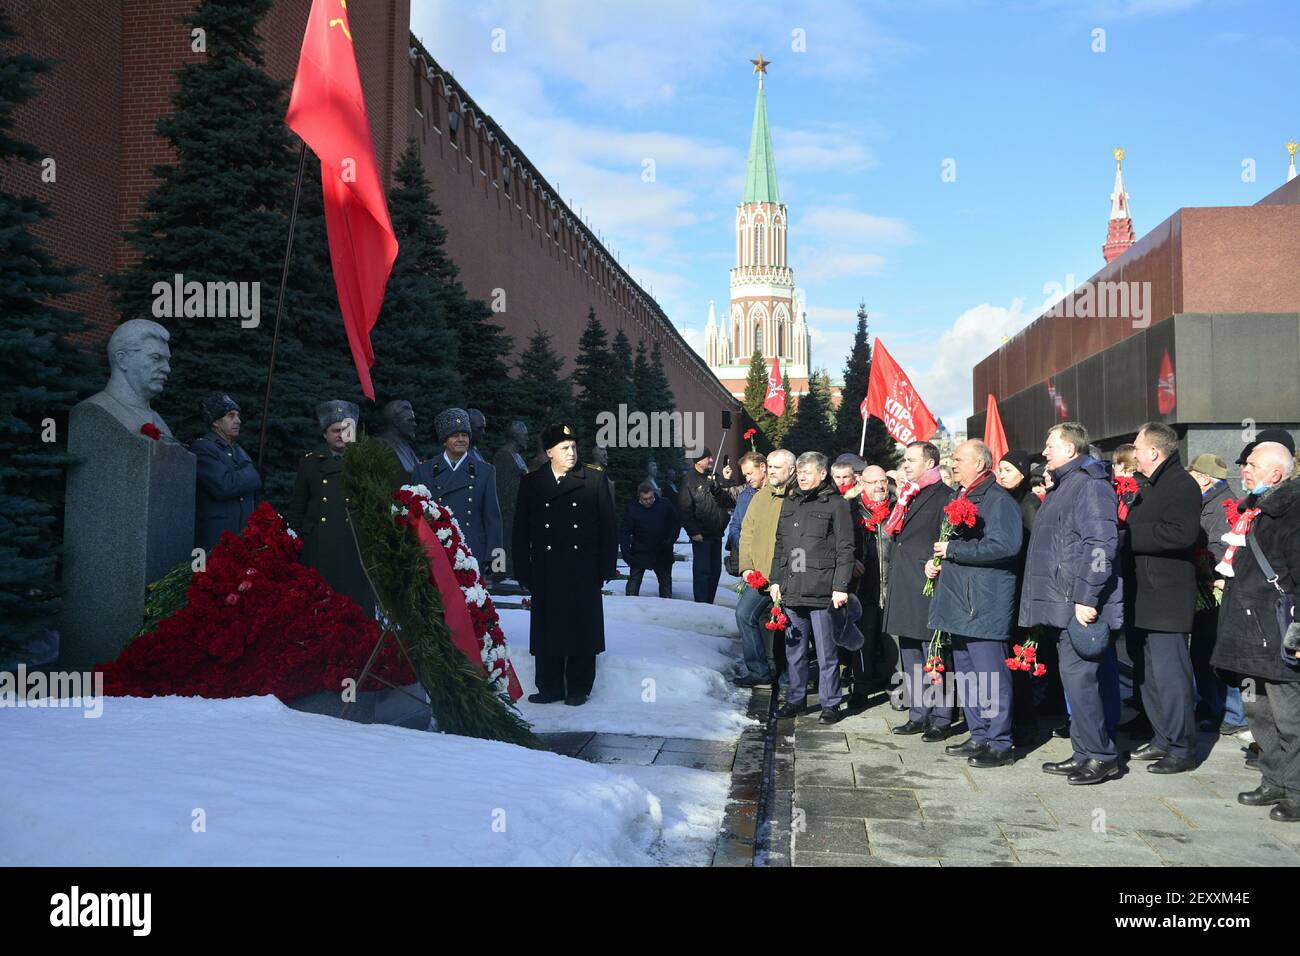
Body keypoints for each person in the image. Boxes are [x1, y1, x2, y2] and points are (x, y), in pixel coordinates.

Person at [1021, 422, 1124, 785]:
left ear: (1070, 449)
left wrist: (1087, 596)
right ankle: (1084, 752)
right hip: (1064, 603)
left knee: (1083, 683)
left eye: (1049, 446)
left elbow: (1100, 546)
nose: (1044, 452)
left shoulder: (1091, 485)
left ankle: (1101, 756)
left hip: (1078, 604)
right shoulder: (1069, 484)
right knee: (1075, 683)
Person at [1211, 441, 1300, 822]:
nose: (1243, 470)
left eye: (1252, 465)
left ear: (1276, 474)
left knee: (1290, 719)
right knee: (1258, 714)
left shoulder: (1292, 513)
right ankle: (1274, 780)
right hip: (1246, 634)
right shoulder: (1253, 510)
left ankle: (1296, 790)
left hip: (1277, 633)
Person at [927, 440, 1023, 766]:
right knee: (967, 673)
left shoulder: (998, 500)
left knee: (990, 674)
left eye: (959, 459)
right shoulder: (962, 496)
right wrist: (936, 563)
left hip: (984, 603)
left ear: (980, 464)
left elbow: (1006, 546)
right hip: (960, 601)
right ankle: (979, 733)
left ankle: (1000, 742)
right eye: (953, 459)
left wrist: (953, 552)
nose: (953, 464)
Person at [512, 423, 617, 706]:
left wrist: (606, 566)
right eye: (564, 448)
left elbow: (608, 527)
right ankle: (550, 686)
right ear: (549, 453)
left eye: (573, 447)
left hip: (583, 567)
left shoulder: (593, 479)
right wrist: (522, 568)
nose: (571, 453)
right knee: (548, 627)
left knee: (582, 627)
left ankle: (579, 687)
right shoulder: (532, 483)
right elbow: (521, 530)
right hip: (546, 568)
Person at [1122, 422, 1202, 774]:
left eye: (1138, 448)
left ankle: (1182, 747)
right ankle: (1162, 737)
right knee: (1148, 675)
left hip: (1167, 601)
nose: (1134, 453)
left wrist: (1126, 536)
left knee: (1171, 676)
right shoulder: (1150, 486)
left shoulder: (1181, 484)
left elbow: (1181, 534)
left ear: (1154, 451)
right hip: (1143, 598)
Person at [769, 452, 856, 724]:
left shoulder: (836, 504)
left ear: (822, 474)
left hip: (822, 589)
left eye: (808, 471)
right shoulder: (791, 501)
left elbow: (846, 547)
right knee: (794, 650)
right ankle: (795, 700)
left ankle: (830, 703)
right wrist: (776, 579)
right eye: (800, 471)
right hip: (793, 587)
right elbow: (781, 544)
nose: (803, 476)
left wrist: (841, 586)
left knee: (825, 651)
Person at [883, 440, 957, 740]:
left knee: (934, 653)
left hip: (927, 584)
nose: (906, 464)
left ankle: (941, 717)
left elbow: (946, 538)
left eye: (912, 459)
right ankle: (918, 712)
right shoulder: (909, 494)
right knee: (910, 653)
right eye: (905, 459)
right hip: (905, 584)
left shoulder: (944, 496)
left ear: (931, 463)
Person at [997, 449, 1063, 740]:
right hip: (1010, 587)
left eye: (1008, 470)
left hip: (1024, 588)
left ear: (1023, 474)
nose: (1001, 475)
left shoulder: (1028, 503)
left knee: (1021, 657)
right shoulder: (1005, 500)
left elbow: (1039, 551)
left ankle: (1025, 724)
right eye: (999, 469)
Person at [286, 400, 374, 615]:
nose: (340, 435)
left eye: (345, 430)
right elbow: (298, 507)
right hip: (318, 546)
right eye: (335, 430)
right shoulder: (310, 463)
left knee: (354, 605)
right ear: (325, 434)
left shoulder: (366, 462)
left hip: (354, 545)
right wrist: (293, 542)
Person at [1187, 453, 1246, 734]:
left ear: (1205, 478)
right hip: (1206, 586)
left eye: (1193, 475)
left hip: (1215, 588)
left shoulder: (1223, 505)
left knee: (1212, 653)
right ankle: (1210, 705)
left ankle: (1231, 714)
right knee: (1202, 651)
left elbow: (1223, 549)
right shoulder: (1207, 501)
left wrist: (1209, 572)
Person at [411, 408, 504, 581]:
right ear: (444, 441)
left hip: (472, 552)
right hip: (435, 551)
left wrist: (498, 561)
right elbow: (416, 517)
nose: (461, 439)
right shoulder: (424, 471)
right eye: (455, 435)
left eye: (465, 435)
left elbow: (493, 518)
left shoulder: (485, 471)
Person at [736, 450, 796, 687]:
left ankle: (791, 674)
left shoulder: (796, 496)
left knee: (790, 626)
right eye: (769, 466)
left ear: (791, 470)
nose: (771, 471)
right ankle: (759, 671)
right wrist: (746, 568)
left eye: (777, 467)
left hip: (790, 575)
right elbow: (747, 532)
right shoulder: (761, 496)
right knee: (744, 614)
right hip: (760, 574)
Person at [848, 464, 895, 705]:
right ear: (862, 484)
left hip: (894, 586)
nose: (879, 486)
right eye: (874, 482)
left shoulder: (899, 508)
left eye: (883, 481)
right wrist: (850, 560)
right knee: (863, 639)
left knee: (892, 643)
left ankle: (896, 688)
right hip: (863, 586)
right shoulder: (851, 510)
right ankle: (861, 688)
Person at [191, 391, 260, 552]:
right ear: (215, 421)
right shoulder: (202, 447)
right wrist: (252, 475)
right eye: (231, 415)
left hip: (240, 537)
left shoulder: (236, 448)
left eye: (238, 415)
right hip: (214, 539)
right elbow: (224, 486)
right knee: (205, 576)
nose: (238, 421)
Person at [678, 447, 734, 603]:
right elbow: (684, 508)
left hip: (716, 533)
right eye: (707, 458)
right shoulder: (689, 480)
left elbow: (729, 498)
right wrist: (693, 531)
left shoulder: (714, 477)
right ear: (697, 461)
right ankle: (701, 604)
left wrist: (727, 479)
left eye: (711, 457)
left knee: (715, 571)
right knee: (703, 572)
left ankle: (710, 601)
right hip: (701, 535)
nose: (711, 460)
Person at [620, 483, 680, 599]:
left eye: (651, 498)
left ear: (654, 495)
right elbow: (625, 532)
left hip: (662, 550)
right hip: (640, 550)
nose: (648, 501)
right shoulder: (632, 509)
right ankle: (629, 605)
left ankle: (667, 605)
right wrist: (626, 552)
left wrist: (670, 540)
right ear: (639, 498)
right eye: (645, 499)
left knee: (665, 583)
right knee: (634, 582)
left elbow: (675, 524)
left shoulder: (664, 505)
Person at [724, 452, 767, 577]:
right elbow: (735, 525)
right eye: (745, 475)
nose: (747, 478)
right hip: (747, 562)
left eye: (750, 473)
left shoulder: (778, 495)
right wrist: (743, 548)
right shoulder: (744, 495)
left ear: (763, 467)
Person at [373, 399, 421, 480]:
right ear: (396, 422)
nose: (414, 424)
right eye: (410, 420)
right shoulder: (381, 445)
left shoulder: (407, 447)